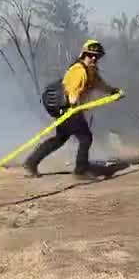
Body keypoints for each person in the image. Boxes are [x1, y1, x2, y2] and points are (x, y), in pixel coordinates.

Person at [24, 39, 119, 179]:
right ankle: (81, 171)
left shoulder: (91, 71)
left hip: (70, 109)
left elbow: (100, 84)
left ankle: (31, 162)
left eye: (96, 56)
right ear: (83, 55)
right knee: (86, 138)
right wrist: (75, 106)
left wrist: (112, 91)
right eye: (90, 55)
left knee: (60, 139)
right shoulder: (79, 71)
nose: (93, 58)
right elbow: (72, 92)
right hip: (69, 108)